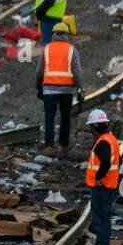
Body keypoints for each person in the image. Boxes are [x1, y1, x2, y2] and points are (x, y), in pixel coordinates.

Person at [35, 21, 81, 155]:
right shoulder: (72, 50)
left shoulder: (47, 48)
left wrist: (38, 86)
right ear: (67, 35)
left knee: (50, 117)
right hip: (67, 90)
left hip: (49, 89)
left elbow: (39, 71)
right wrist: (80, 88)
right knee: (65, 117)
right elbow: (77, 72)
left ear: (54, 34)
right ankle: (64, 146)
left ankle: (49, 146)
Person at [84, 108, 121, 245]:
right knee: (103, 220)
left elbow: (105, 162)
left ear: (95, 127)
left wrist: (99, 178)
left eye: (91, 127)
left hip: (102, 187)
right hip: (110, 186)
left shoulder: (102, 143)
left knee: (101, 222)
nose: (90, 130)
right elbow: (120, 161)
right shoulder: (111, 139)